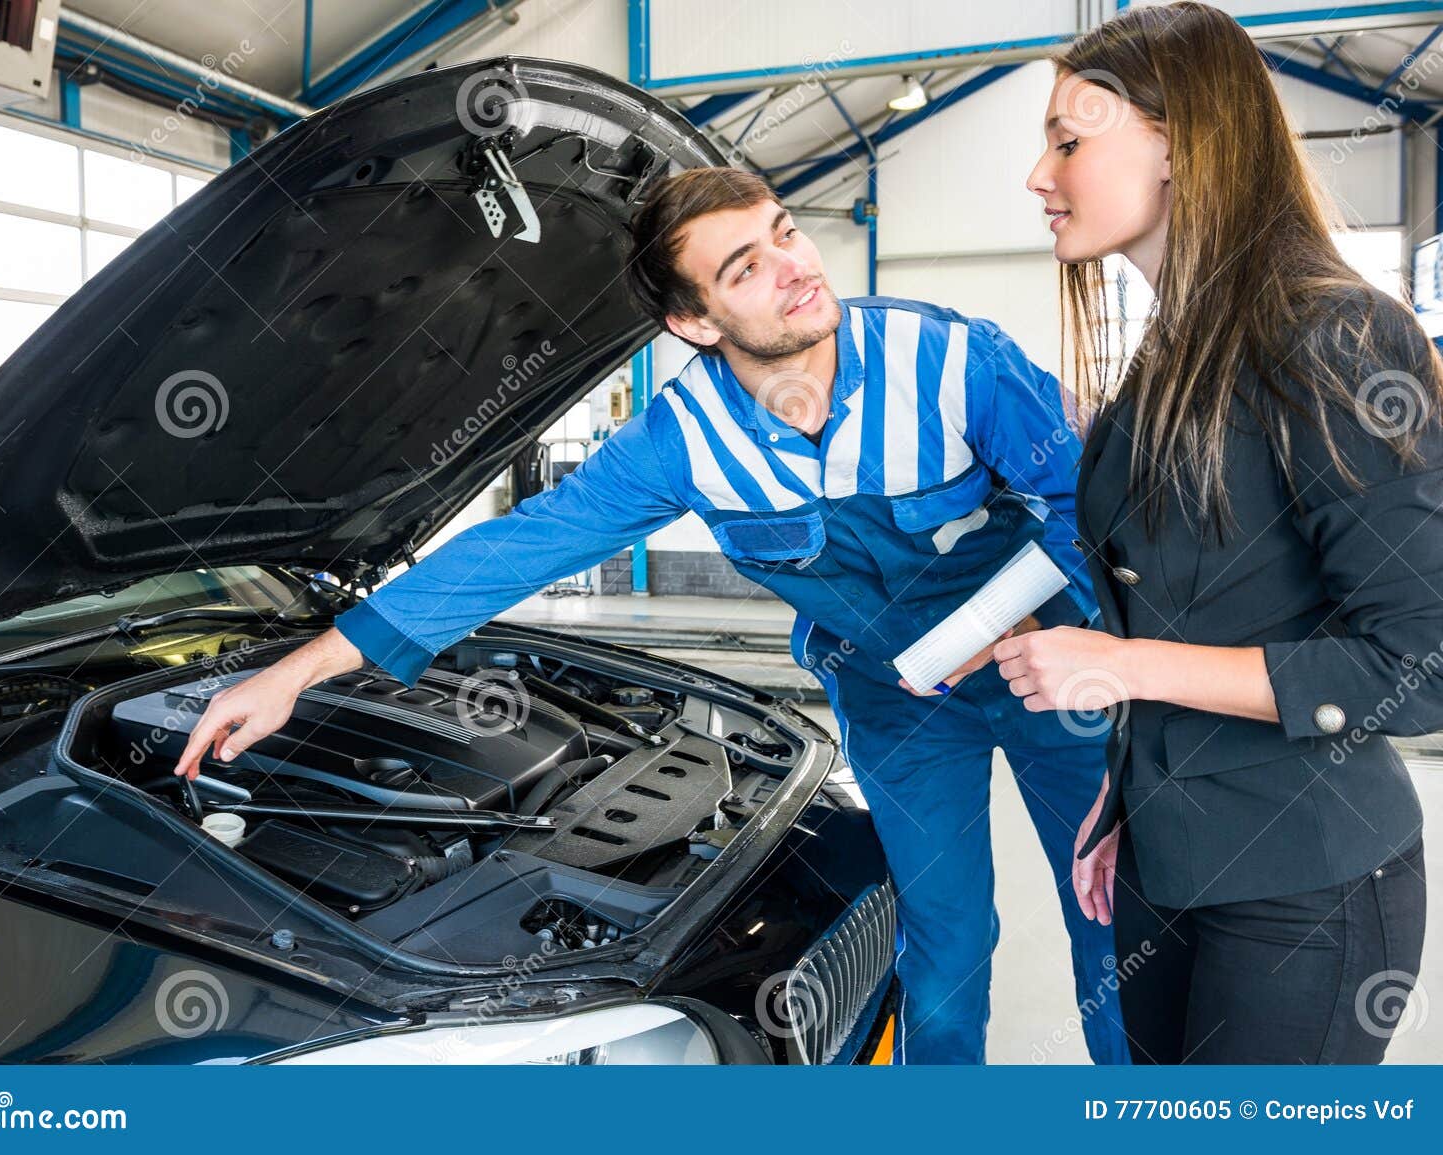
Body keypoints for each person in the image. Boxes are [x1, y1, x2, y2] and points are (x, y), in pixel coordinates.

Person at [171, 166, 1130, 1065]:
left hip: (1051, 666)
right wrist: (298, 669)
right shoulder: (685, 440)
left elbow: (1089, 504)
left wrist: (1023, 624)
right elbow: (518, 547)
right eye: (745, 267)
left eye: (785, 233)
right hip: (896, 699)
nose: (795, 267)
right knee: (945, 940)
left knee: (1108, 920)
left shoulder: (953, 358)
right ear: (693, 321)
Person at [1004, 0, 1433, 1063]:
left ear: (1179, 144)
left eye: (1068, 139)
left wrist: (1118, 665)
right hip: (1167, 861)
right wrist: (1131, 793)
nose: (1037, 174)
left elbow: (1418, 663)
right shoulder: (1169, 357)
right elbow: (1184, 600)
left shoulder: (1334, 333)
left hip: (1304, 888)